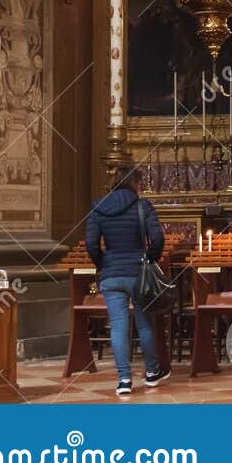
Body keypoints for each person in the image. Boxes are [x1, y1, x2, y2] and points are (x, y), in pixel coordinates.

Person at [85, 165, 168, 395]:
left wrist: (102, 264)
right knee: (144, 324)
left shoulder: (98, 207)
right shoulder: (143, 206)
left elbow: (91, 243)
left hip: (111, 274)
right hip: (138, 273)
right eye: (139, 183)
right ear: (135, 183)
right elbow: (158, 238)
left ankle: (123, 380)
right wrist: (151, 258)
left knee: (118, 327)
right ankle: (151, 372)